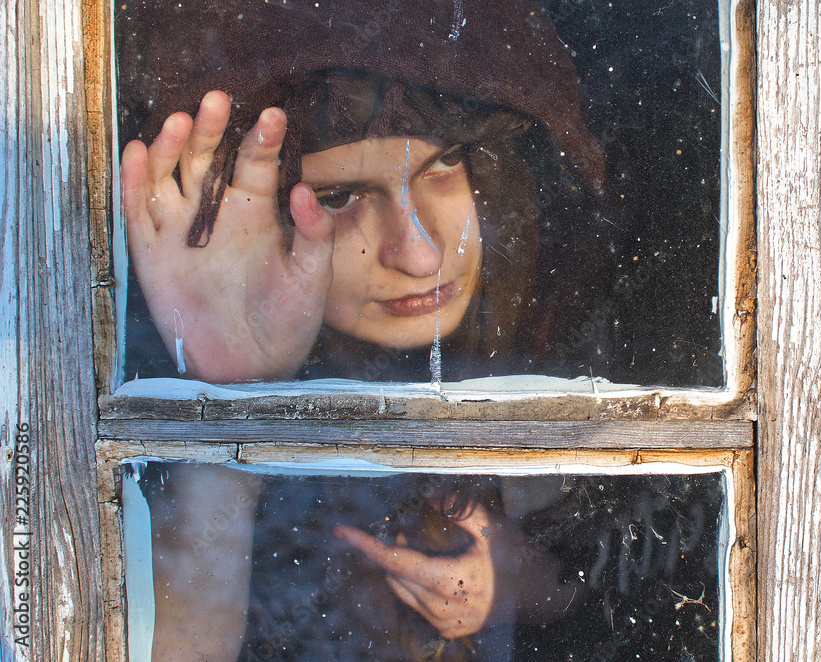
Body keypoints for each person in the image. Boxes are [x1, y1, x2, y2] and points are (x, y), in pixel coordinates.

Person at [119, 1, 608, 660]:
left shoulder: (589, 349)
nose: (419, 254)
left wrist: (532, 587)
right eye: (337, 196)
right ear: (250, 206)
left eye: (447, 164)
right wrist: (229, 402)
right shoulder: (134, 392)